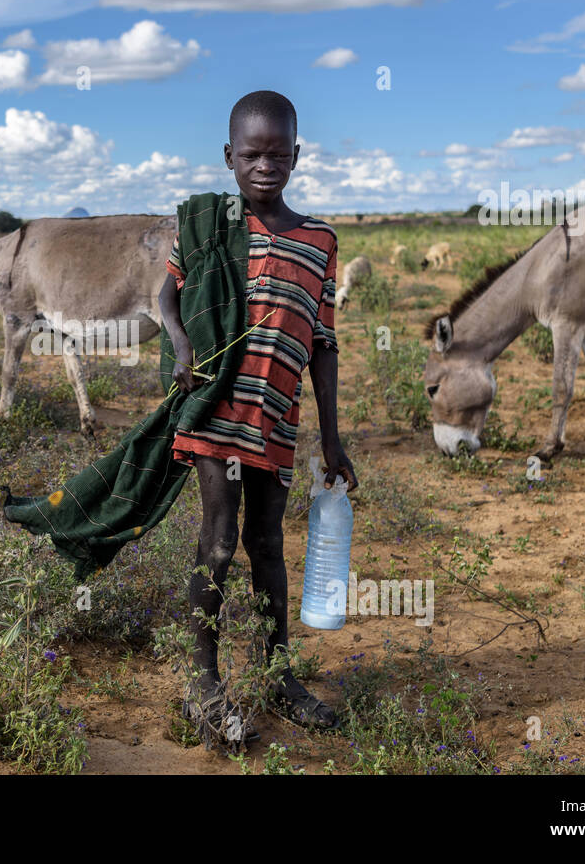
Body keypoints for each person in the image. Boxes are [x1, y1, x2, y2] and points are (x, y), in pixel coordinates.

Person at [159, 90, 358, 737]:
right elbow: (167, 297)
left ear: (296, 155)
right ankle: (203, 680)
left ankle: (278, 674)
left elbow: (322, 344)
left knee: (268, 545)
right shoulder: (210, 229)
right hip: (218, 413)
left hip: (277, 418)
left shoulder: (319, 239)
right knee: (218, 540)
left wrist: (331, 438)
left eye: (278, 153)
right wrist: (182, 344)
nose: (265, 165)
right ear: (228, 157)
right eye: (252, 154)